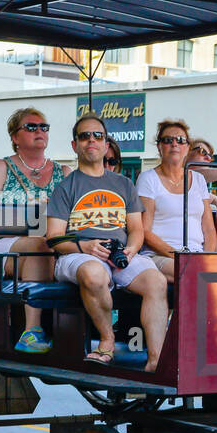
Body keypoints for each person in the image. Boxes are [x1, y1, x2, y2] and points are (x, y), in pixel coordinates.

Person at [46, 113, 168, 372]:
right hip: (78, 254)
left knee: (156, 280)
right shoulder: (65, 187)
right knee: (93, 273)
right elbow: (54, 238)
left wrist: (132, 249)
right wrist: (84, 247)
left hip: (119, 254)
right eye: (84, 136)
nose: (91, 140)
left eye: (97, 135)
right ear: (74, 145)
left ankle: (156, 359)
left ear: (105, 143)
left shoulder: (123, 184)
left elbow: (136, 229)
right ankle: (106, 342)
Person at [0, 107, 71, 353]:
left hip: (53, 244)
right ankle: (31, 331)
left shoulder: (64, 172)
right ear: (15, 137)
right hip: (1, 246)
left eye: (44, 127)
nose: (39, 131)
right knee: (37, 245)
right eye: (31, 127)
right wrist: (31, 220)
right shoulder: (2, 167)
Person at [138, 119, 217, 279]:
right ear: (159, 147)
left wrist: (206, 257)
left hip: (196, 256)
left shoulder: (198, 180)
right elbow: (145, 230)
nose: (174, 144)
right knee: (192, 273)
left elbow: (209, 229)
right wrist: (179, 256)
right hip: (161, 256)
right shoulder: (148, 179)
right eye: (167, 140)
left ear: (187, 147)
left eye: (180, 140)